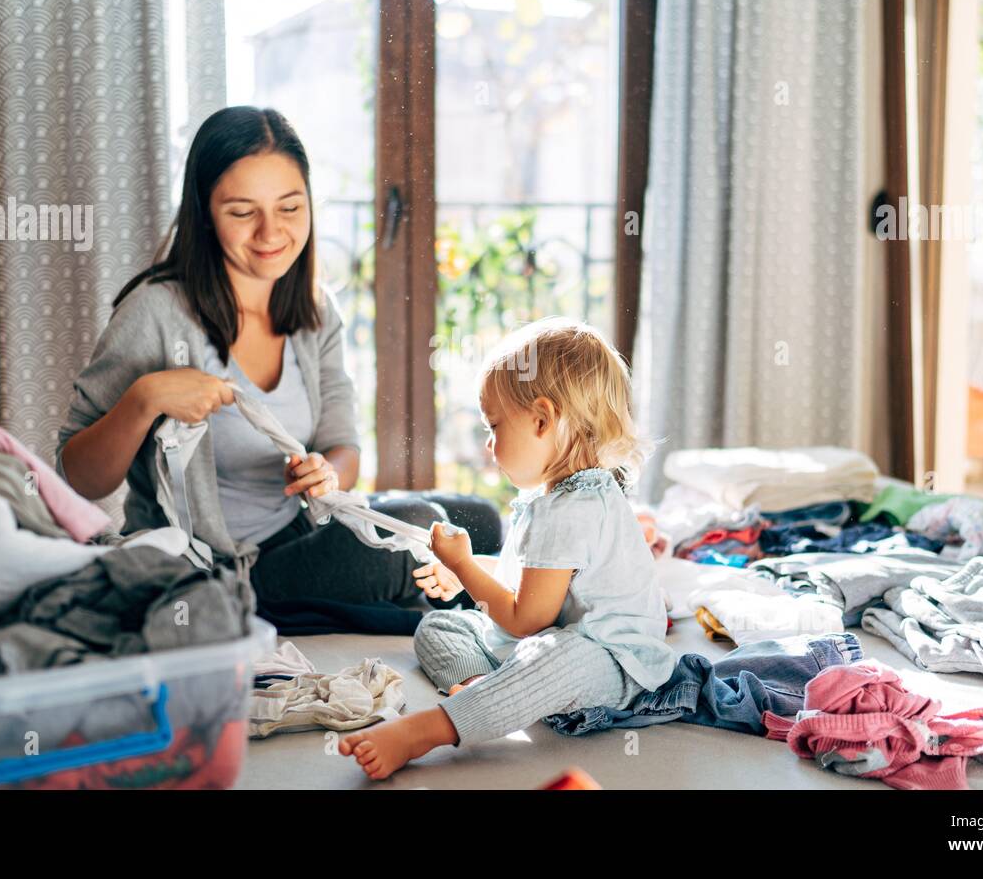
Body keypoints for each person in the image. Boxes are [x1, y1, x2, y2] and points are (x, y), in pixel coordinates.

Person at [56, 106, 498, 613]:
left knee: (477, 519)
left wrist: (326, 474)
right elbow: (75, 477)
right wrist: (143, 399)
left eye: (290, 208)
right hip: (224, 567)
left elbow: (343, 447)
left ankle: (448, 596)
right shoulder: (157, 312)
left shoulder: (314, 307)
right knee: (420, 531)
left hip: (304, 530)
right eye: (243, 212)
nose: (270, 234)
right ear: (204, 213)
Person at [340, 318, 676, 778]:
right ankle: (488, 693)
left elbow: (526, 619)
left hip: (612, 663)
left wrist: (462, 566)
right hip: (546, 636)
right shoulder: (551, 498)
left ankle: (426, 731)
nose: (489, 443)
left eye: (494, 425)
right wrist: (471, 568)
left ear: (542, 419)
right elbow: (532, 578)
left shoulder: (572, 506)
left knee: (560, 655)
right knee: (441, 626)